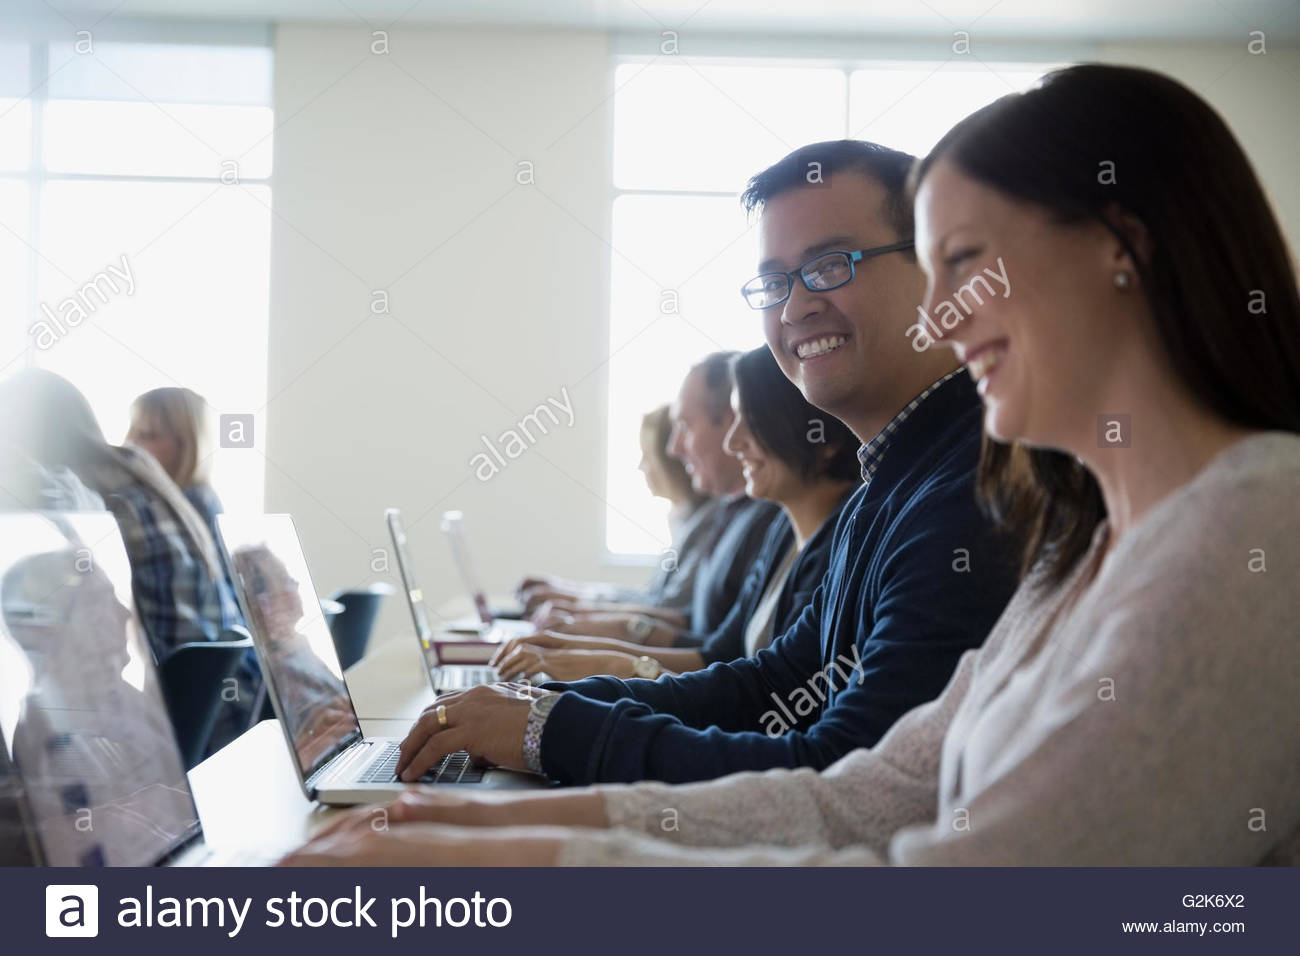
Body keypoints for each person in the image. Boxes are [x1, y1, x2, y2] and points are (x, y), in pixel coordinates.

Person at [283, 64, 1300, 867]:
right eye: (771, 282)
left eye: (965, 260)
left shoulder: (1252, 531)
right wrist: (490, 831)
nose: (950, 312)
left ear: (1118, 246)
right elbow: (866, 794)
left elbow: (977, 898)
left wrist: (548, 855)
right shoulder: (1085, 550)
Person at [386, 139, 1019, 787]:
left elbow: (846, 772)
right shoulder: (884, 485)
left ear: (937, 268)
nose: (796, 306)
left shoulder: (969, 492)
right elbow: (773, 683)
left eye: (831, 264)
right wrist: (542, 711)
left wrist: (551, 731)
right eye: (774, 281)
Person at [493, 345, 861, 682]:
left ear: (822, 437)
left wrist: (611, 663)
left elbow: (762, 693)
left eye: (753, 421)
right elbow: (719, 653)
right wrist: (582, 651)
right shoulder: (782, 530)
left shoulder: (831, 541)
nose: (734, 442)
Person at [522, 352, 784, 643]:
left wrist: (586, 626)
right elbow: (689, 623)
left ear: (730, 423)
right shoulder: (730, 512)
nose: (674, 449)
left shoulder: (764, 519)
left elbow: (718, 652)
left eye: (685, 426)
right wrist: (582, 617)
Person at [0, 369, 242, 661]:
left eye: (148, 435)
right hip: (209, 682)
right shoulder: (140, 476)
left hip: (165, 689)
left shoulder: (100, 497)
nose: (132, 442)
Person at [519, 404, 717, 625]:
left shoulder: (707, 523)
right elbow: (651, 597)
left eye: (647, 455)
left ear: (670, 462)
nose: (641, 466)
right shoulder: (684, 520)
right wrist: (569, 590)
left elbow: (668, 608)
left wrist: (576, 601)